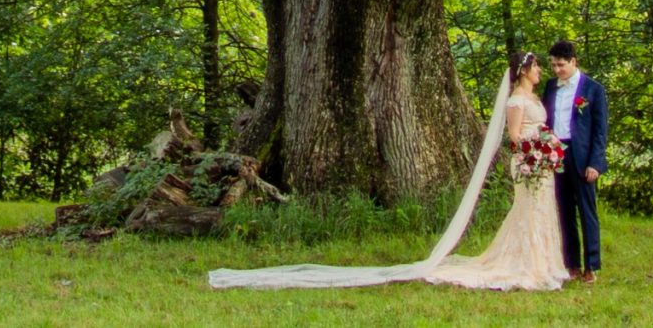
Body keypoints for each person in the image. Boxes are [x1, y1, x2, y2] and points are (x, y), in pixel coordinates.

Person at [206, 52, 565, 292]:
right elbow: (516, 137)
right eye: (536, 67)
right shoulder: (517, 101)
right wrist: (537, 149)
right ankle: (524, 265)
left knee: (540, 213)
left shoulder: (535, 98)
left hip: (540, 164)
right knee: (527, 213)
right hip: (529, 163)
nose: (540, 71)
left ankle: (543, 263)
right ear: (523, 71)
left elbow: (535, 132)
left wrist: (547, 146)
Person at [538, 38, 609, 283]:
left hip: (583, 158)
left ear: (573, 62)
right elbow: (545, 122)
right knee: (564, 211)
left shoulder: (593, 89)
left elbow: (600, 131)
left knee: (587, 212)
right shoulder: (550, 87)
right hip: (557, 156)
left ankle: (591, 265)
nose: (557, 70)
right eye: (553, 66)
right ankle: (571, 264)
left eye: (561, 65)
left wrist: (595, 163)